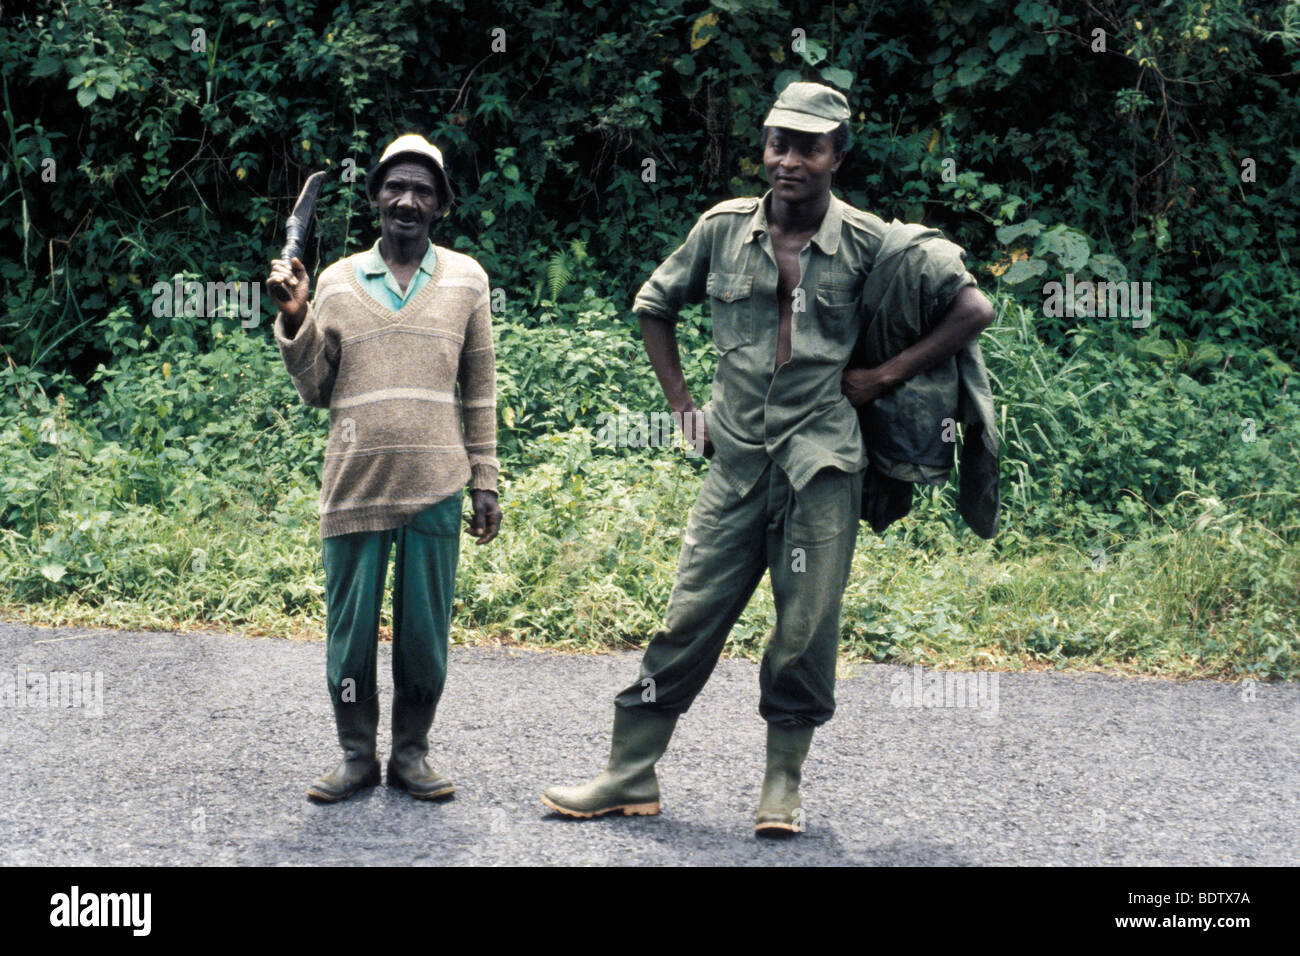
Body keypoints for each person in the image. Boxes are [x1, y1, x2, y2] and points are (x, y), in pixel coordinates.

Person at [541, 82, 994, 835]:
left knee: (804, 631)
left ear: (837, 155)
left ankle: (781, 785)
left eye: (809, 146)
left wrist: (883, 377)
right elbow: (654, 304)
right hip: (738, 464)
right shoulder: (722, 232)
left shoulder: (874, 244)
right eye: (778, 143)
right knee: (689, 617)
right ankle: (629, 772)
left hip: (822, 467)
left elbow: (973, 307)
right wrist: (684, 408)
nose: (788, 160)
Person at [267, 133, 501, 804]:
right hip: (355, 486)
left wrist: (484, 479)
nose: (407, 199)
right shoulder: (336, 282)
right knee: (350, 636)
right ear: (374, 197)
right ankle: (353, 755)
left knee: (425, 637)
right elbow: (316, 389)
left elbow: (480, 388)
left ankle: (412, 753)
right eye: (394, 186)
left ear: (440, 205)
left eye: (422, 190)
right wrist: (296, 316)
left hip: (436, 486)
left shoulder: (467, 279)